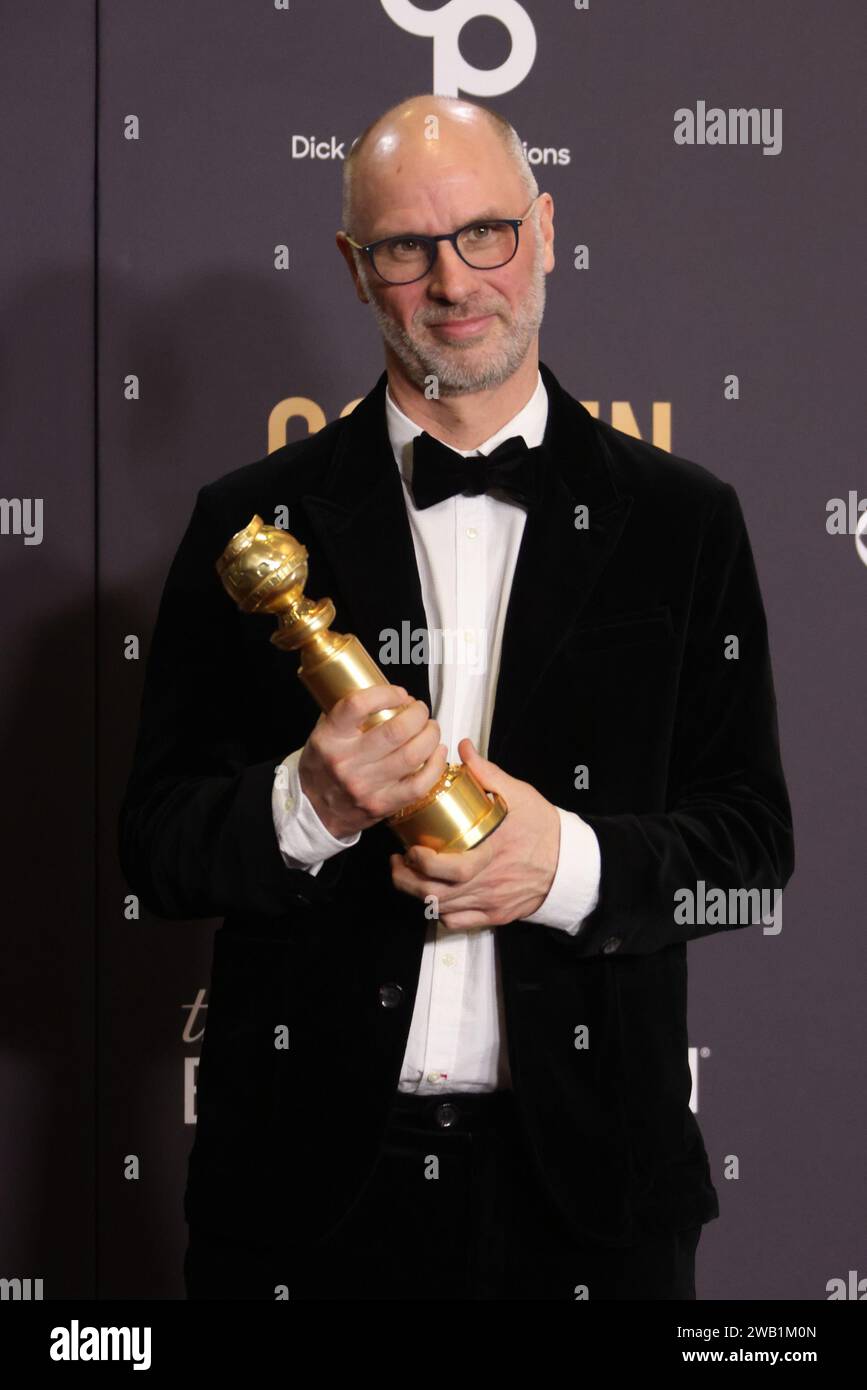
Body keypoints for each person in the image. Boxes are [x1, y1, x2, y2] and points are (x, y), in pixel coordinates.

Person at [118, 94, 794, 1300]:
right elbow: (156, 848)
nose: (452, 281)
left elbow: (751, 842)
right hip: (307, 1202)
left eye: (484, 232)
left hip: (594, 1201)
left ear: (542, 230)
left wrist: (567, 863)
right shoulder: (250, 523)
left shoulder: (688, 521)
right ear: (353, 267)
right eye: (404, 248)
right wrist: (307, 805)